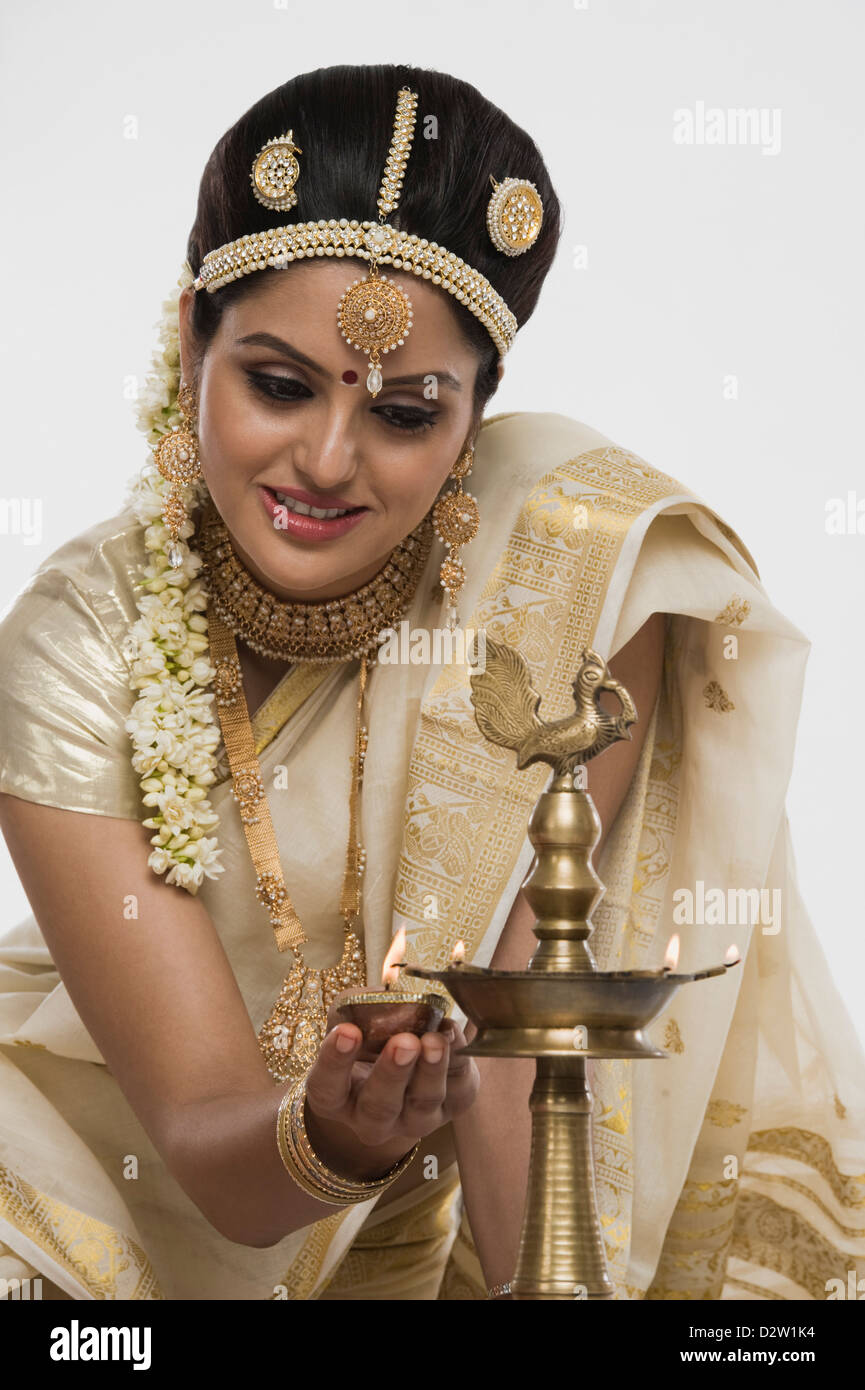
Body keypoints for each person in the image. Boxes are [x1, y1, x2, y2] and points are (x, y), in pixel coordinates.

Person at [0, 63, 862, 1303]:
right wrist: (340, 1130)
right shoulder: (76, 646)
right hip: (95, 1201)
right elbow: (208, 1150)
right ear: (191, 336)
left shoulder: (564, 572)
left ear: (476, 419)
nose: (328, 459)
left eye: (406, 412)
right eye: (277, 384)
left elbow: (526, 1034)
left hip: (392, 1256)